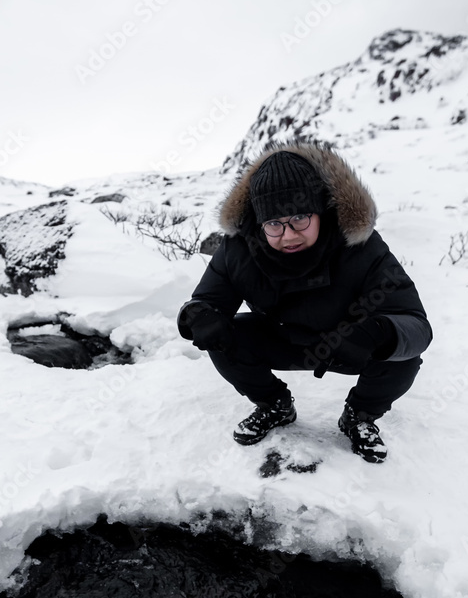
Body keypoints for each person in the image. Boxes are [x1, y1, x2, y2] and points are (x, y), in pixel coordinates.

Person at [177, 141, 432, 463]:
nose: (288, 235)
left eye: (299, 217)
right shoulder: (237, 250)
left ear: (321, 212)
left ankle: (359, 416)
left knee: (401, 354)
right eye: (274, 224)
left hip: (346, 344)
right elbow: (205, 300)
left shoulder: (362, 247)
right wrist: (200, 317)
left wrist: (378, 333)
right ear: (258, 223)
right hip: (281, 338)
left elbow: (415, 323)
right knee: (224, 337)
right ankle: (275, 406)